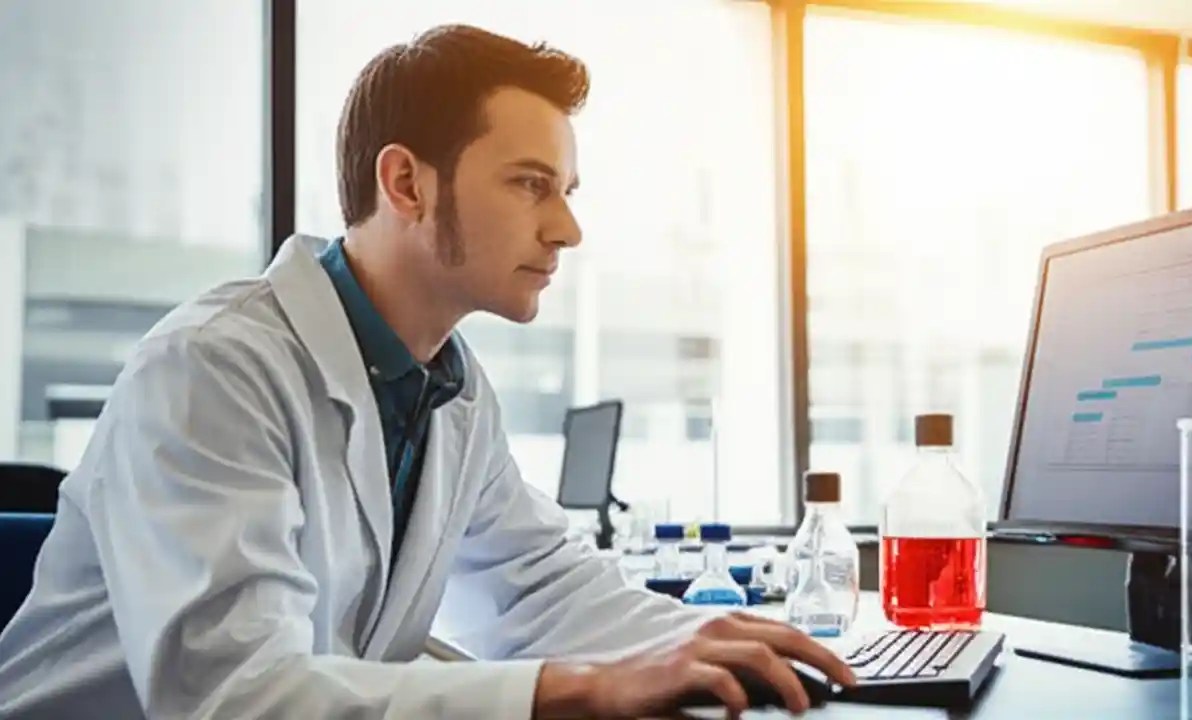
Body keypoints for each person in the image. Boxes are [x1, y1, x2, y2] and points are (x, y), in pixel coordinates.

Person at [0, 24, 854, 719]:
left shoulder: (448, 387)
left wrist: (722, 644)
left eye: (567, 190)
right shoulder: (210, 369)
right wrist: (582, 687)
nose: (566, 229)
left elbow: (541, 589)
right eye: (531, 184)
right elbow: (233, 697)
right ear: (405, 182)